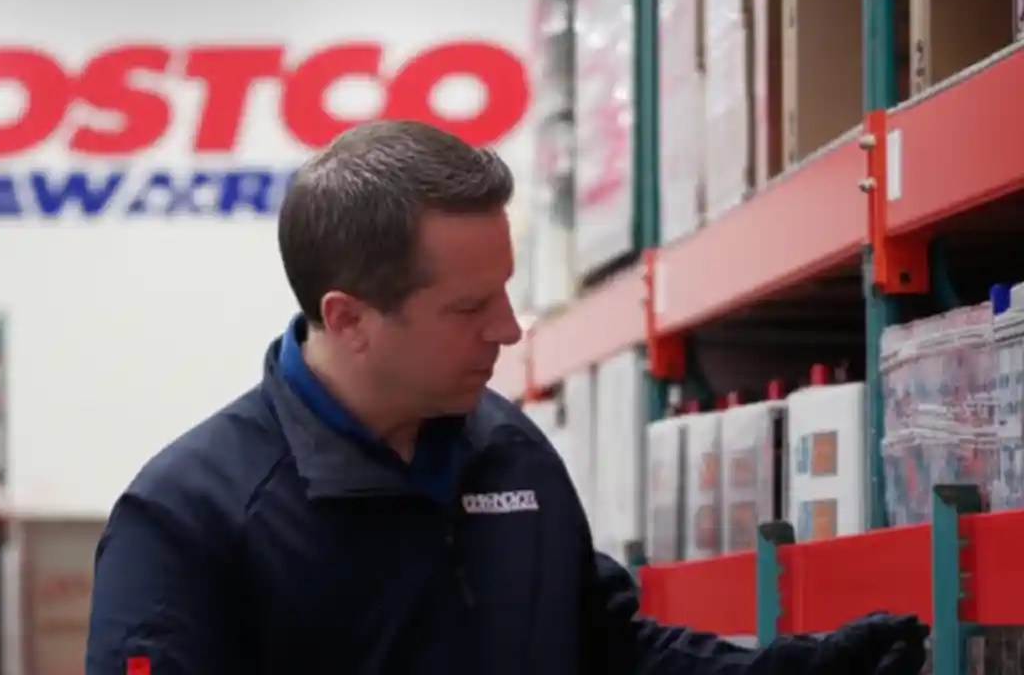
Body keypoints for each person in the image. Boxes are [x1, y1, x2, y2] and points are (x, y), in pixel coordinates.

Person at [85, 120, 928, 674]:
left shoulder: (508, 450)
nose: (511, 330)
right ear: (350, 320)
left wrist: (784, 670)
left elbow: (602, 650)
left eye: (504, 292)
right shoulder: (189, 518)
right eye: (468, 308)